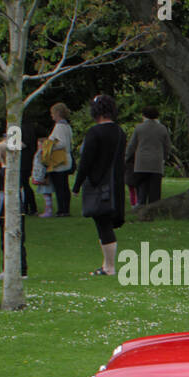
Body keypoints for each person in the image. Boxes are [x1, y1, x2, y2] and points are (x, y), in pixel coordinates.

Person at [71, 94, 126, 276]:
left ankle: (109, 266)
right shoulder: (119, 132)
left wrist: (77, 185)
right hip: (114, 183)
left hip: (98, 184)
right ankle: (106, 264)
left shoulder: (95, 133)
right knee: (106, 224)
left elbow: (86, 161)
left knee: (102, 224)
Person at [0, 141, 27, 279]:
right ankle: (22, 270)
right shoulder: (17, 173)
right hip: (19, 210)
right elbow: (22, 192)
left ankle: (9, 269)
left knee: (5, 241)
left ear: (0, 155)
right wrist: (21, 206)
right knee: (19, 239)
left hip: (6, 212)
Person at [125, 106, 171, 206]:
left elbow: (131, 146)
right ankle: (154, 209)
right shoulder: (162, 128)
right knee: (155, 191)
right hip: (156, 164)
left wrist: (126, 158)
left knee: (142, 189)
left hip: (141, 163)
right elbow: (167, 146)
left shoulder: (139, 128)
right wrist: (164, 157)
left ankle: (141, 208)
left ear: (144, 116)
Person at [46, 102, 74, 216]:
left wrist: (49, 145)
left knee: (60, 186)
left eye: (52, 113)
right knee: (64, 185)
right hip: (66, 158)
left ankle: (62, 209)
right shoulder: (67, 126)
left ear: (57, 113)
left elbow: (61, 143)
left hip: (60, 160)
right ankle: (64, 209)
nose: (51, 116)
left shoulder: (59, 127)